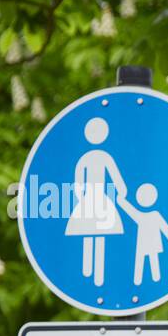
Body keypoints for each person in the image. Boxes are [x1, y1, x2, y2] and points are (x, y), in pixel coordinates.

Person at [64, 117, 127, 287]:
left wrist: (79, 196)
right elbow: (115, 177)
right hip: (97, 198)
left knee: (92, 232)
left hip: (91, 198)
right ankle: (93, 274)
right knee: (97, 232)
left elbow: (78, 180)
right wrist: (122, 190)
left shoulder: (88, 158)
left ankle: (92, 272)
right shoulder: (101, 157)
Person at [116, 183, 168, 285]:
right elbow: (130, 210)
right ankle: (140, 280)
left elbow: (164, 227)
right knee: (146, 260)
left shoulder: (147, 216)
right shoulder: (148, 215)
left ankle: (145, 280)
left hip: (148, 242)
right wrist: (121, 201)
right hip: (146, 242)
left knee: (148, 260)